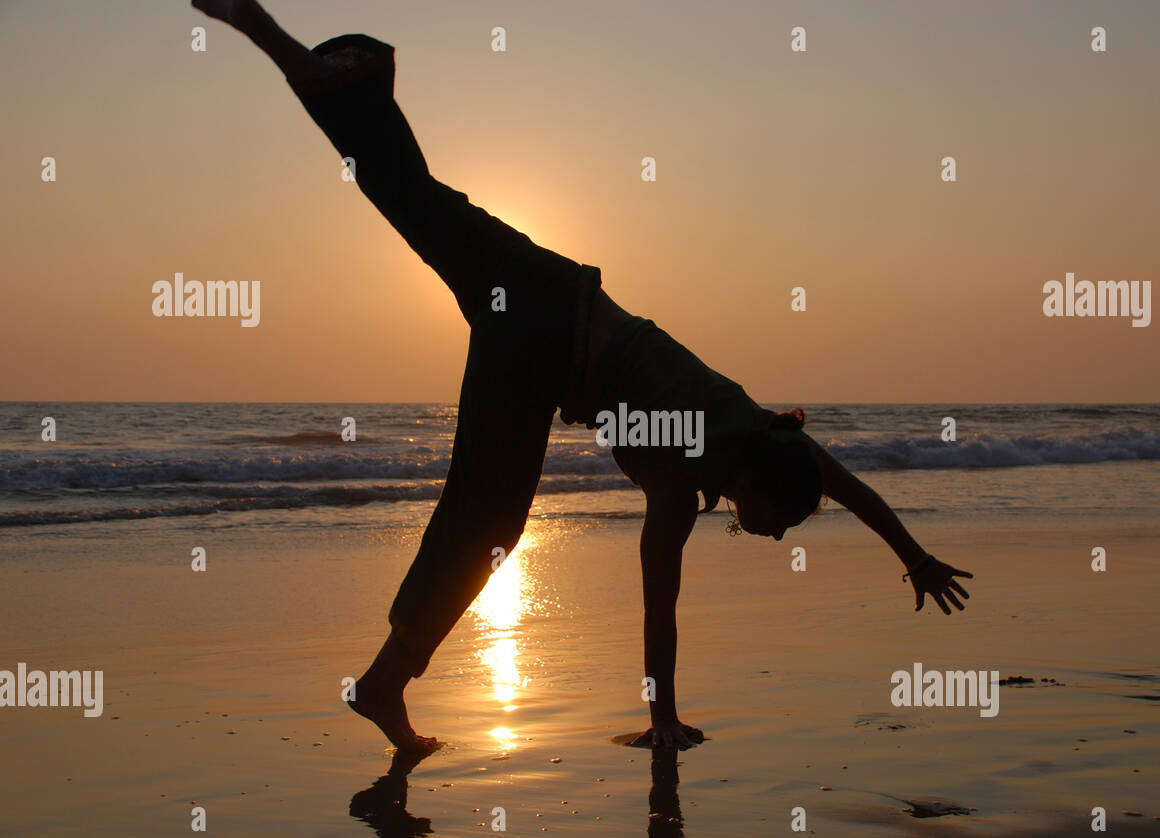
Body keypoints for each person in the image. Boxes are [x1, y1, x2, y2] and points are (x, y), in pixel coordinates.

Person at [192, 0, 974, 754]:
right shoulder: (681, 473)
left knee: (414, 201)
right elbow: (659, 605)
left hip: (547, 286)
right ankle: (384, 682)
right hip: (541, 339)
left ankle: (309, 57)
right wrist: (663, 714)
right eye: (783, 519)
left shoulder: (766, 430)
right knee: (487, 519)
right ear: (759, 484)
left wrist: (913, 556)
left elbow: (853, 492)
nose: (778, 531)